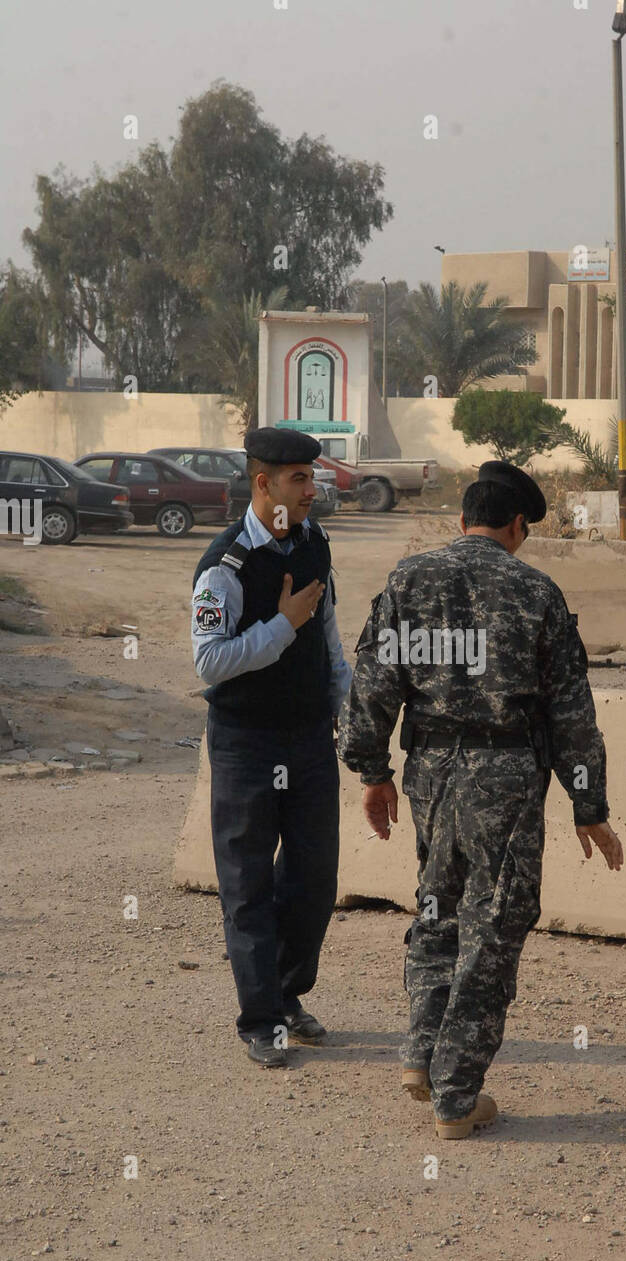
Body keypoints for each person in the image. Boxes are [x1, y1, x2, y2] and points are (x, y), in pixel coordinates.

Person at [338, 461, 623, 1139]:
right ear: (517, 525)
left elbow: (372, 684)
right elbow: (570, 712)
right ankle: (456, 1094)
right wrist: (589, 804)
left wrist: (370, 771)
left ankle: (419, 1050)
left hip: (430, 771)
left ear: (463, 518)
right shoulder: (536, 592)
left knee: (437, 906)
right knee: (492, 927)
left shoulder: (407, 579)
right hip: (505, 777)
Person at [191, 427, 352, 1068]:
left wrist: (343, 706)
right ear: (264, 484)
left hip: (310, 741)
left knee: (313, 880)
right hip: (246, 746)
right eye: (299, 480)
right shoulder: (225, 565)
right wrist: (281, 626)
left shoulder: (314, 543)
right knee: (248, 886)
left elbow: (331, 635)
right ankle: (261, 1019)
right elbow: (209, 661)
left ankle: (287, 995)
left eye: (312, 478)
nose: (312, 491)